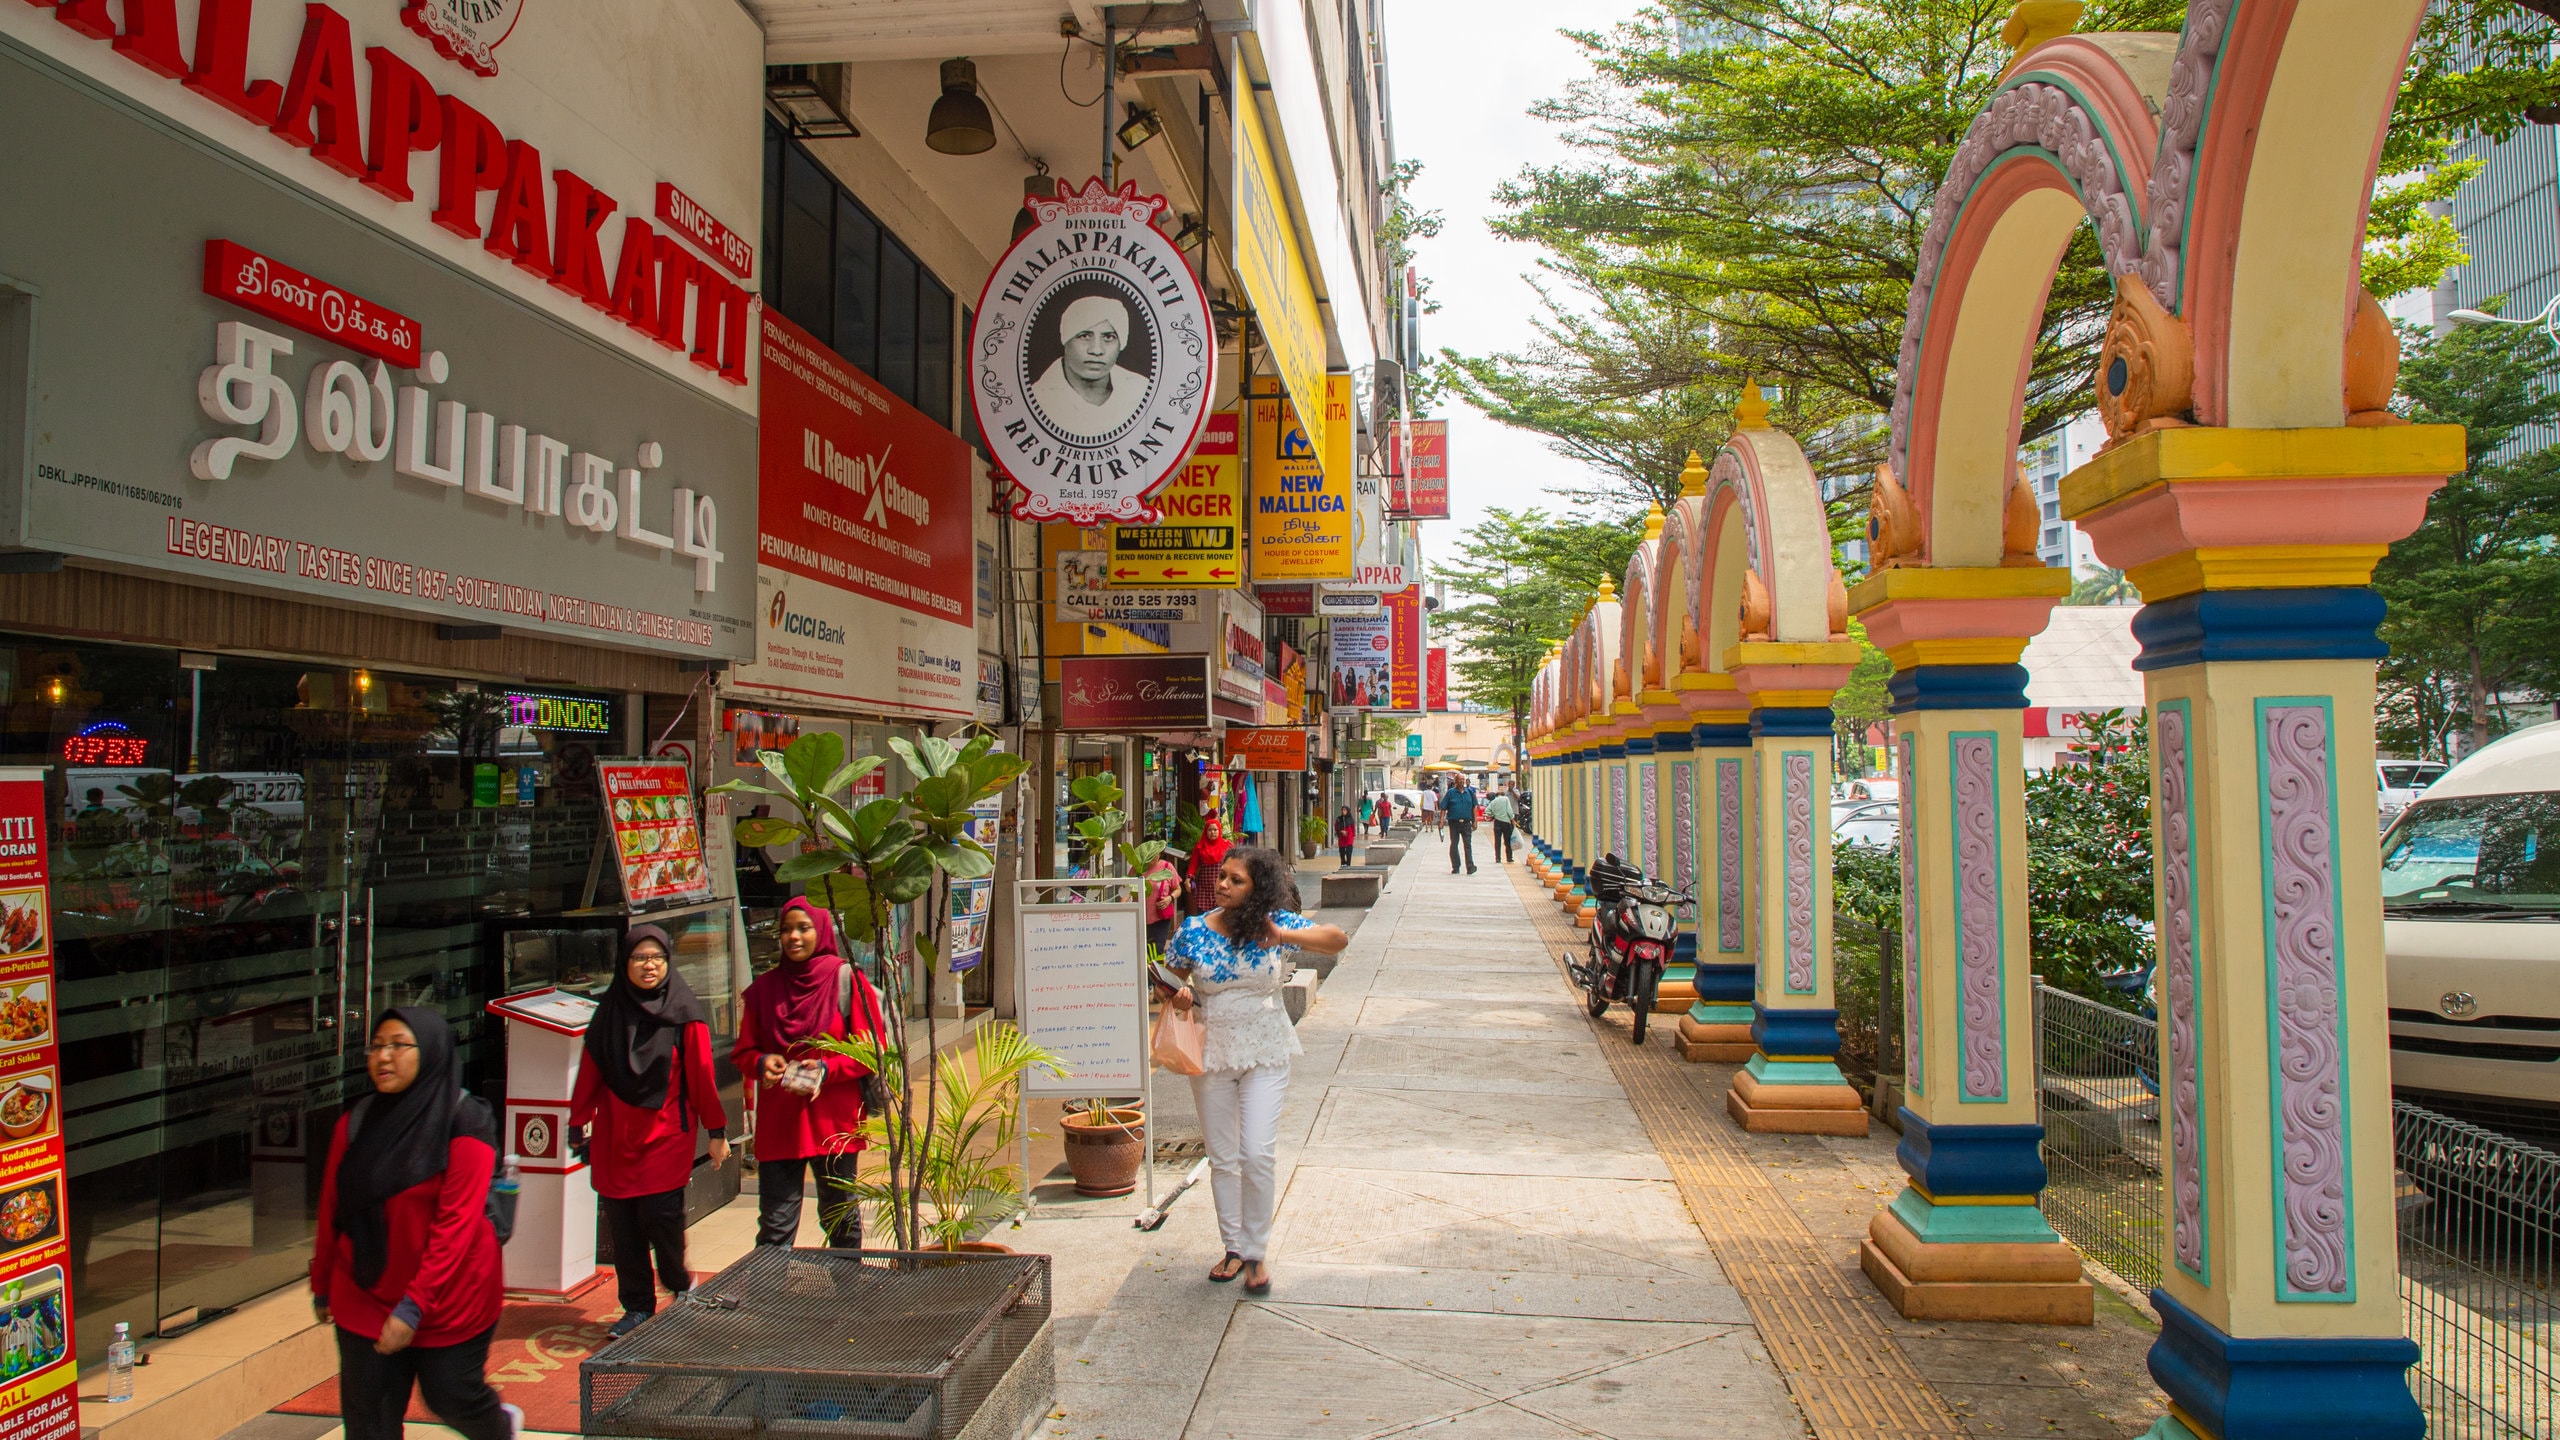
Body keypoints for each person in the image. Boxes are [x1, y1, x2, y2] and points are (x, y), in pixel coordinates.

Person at [311, 1008, 517, 1440]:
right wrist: (323, 1283)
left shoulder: (466, 1122)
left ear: (432, 1052)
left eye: (399, 1046)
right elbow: (333, 1208)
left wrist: (413, 1305)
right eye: (377, 1046)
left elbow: (455, 1227)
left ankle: (500, 1428)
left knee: (450, 1396)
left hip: (451, 1297)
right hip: (366, 1292)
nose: (384, 1057)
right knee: (369, 1419)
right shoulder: (356, 1123)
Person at [1162, 849, 1349, 1295]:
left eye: (1235, 880)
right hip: (1213, 1050)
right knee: (1224, 1157)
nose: (1222, 884)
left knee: (1258, 1153)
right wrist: (1180, 995)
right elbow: (1170, 977)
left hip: (1266, 1046)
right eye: (1222, 877)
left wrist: (1282, 932)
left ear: (1258, 889)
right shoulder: (1193, 931)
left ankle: (1256, 1253)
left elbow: (1337, 939)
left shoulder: (1274, 924)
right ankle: (1234, 1248)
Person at [572, 927, 730, 1336]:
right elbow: (591, 1072)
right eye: (639, 958)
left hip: (665, 1137)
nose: (648, 965)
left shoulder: (684, 1014)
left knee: (661, 1219)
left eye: (656, 957)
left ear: (668, 962)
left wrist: (716, 1130)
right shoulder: (609, 1013)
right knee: (623, 1226)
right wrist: (576, 1122)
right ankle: (638, 1306)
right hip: (614, 1139)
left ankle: (680, 1285)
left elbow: (701, 1076)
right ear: (624, 964)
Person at [734, 899, 884, 1248]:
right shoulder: (764, 990)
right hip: (781, 1122)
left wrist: (827, 1069)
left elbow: (870, 1052)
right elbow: (744, 1051)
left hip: (833, 1121)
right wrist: (761, 1063)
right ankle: (768, 1301)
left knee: (840, 1219)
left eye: (803, 928)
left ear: (821, 931)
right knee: (775, 1224)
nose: (794, 937)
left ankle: (846, 1299)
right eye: (786, 929)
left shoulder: (846, 980)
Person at [1029, 295, 1149, 435]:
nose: (1096, 350)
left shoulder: (1141, 391)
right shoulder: (1037, 400)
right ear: (1066, 340)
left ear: (1120, 344)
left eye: (1108, 337)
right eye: (1084, 336)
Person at [1144, 850, 1185, 953]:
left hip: (1160, 917)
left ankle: (1156, 969)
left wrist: (1169, 898)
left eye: (1155, 853)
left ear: (1160, 853)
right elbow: (1128, 890)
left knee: (1157, 950)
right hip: (1141, 918)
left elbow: (1178, 889)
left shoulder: (1167, 867)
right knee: (1143, 952)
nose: (1152, 857)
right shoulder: (1138, 868)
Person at [1443, 777, 1481, 874]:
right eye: (1459, 779)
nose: (1462, 781)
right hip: (1454, 823)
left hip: (1466, 823)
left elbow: (1474, 807)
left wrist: (1475, 821)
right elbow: (1443, 807)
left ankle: (1470, 866)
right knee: (1454, 844)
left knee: (1467, 844)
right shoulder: (1451, 793)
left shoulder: (1469, 793)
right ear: (1456, 781)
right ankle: (1456, 867)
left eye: (1463, 779)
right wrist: (1441, 821)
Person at [1487, 784, 1518, 864]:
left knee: (1497, 841)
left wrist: (1493, 815)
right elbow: (1509, 811)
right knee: (1507, 841)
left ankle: (1498, 858)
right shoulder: (1506, 799)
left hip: (1497, 822)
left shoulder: (1493, 801)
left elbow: (1487, 811)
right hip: (1506, 823)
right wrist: (1512, 819)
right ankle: (1509, 858)